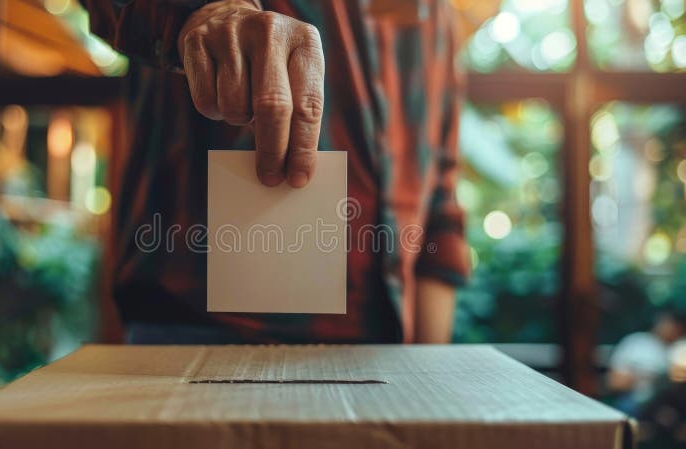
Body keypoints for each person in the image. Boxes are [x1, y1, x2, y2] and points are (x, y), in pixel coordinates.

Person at [81, 0, 470, 344]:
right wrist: (207, 10)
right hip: (197, 335)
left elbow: (437, 200)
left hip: (386, 348)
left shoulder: (435, 15)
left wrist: (427, 378)